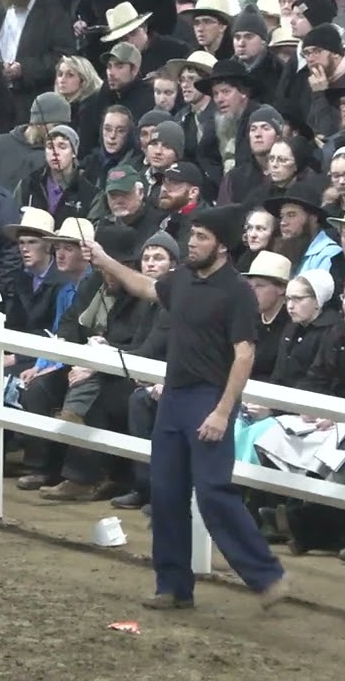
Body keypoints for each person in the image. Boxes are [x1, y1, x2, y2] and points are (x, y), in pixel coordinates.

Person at [82, 204, 290, 610]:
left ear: (222, 246)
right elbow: (146, 287)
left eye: (201, 237)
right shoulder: (182, 279)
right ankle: (173, 586)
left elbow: (244, 355)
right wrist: (104, 260)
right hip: (175, 397)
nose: (191, 243)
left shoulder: (237, 293)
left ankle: (267, 576)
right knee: (165, 493)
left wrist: (222, 411)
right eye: (192, 235)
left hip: (208, 399)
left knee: (213, 492)